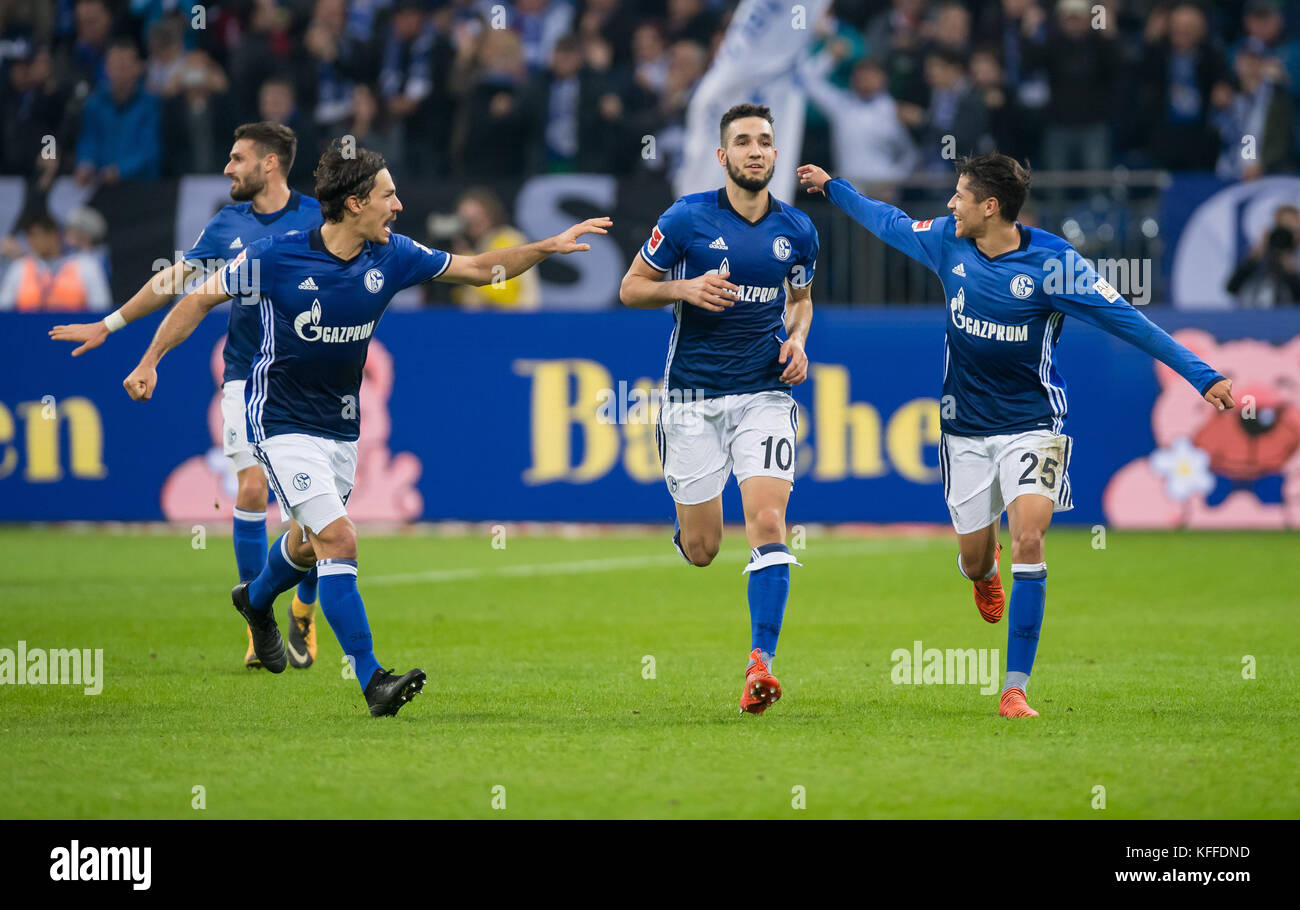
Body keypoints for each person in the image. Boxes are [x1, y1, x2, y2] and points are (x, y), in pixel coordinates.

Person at [121, 140, 610, 716]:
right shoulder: (275, 257)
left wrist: (548, 247)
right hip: (280, 421)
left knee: (306, 546)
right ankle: (373, 678)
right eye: (388, 196)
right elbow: (201, 297)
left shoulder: (393, 255)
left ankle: (254, 599)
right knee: (341, 540)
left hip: (341, 426)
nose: (399, 206)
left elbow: (480, 269)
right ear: (354, 204)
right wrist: (150, 359)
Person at [797, 153, 1235, 718]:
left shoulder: (1054, 265)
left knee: (1032, 538)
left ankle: (1014, 687)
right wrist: (834, 188)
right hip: (965, 430)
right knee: (976, 559)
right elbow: (888, 221)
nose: (950, 204)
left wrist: (1204, 375)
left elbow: (1127, 319)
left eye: (959, 195)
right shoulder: (946, 242)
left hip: (1033, 424)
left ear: (990, 206)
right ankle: (984, 572)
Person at [51, 123, 325, 671]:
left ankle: (303, 608)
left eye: (237, 158)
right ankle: (259, 622)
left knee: (313, 517)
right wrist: (112, 326)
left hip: (308, 382)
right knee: (249, 489)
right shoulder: (228, 225)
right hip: (247, 376)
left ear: (270, 164)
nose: (227, 168)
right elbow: (176, 281)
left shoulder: (317, 218)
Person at [619, 103, 819, 716]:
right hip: (692, 400)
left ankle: (761, 665)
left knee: (767, 524)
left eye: (764, 141)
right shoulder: (686, 219)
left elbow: (802, 298)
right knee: (704, 549)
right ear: (722, 156)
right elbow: (631, 288)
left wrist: (798, 342)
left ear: (776, 155)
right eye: (743, 142)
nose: (755, 150)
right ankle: (687, 529)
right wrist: (684, 288)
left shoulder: (799, 230)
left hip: (764, 394)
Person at [0, 211, 111, 311]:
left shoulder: (86, 265)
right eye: (29, 236)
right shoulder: (19, 267)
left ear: (53, 235)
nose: (32, 242)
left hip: (73, 330)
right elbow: (4, 309)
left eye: (37, 235)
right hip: (27, 330)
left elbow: (101, 309)